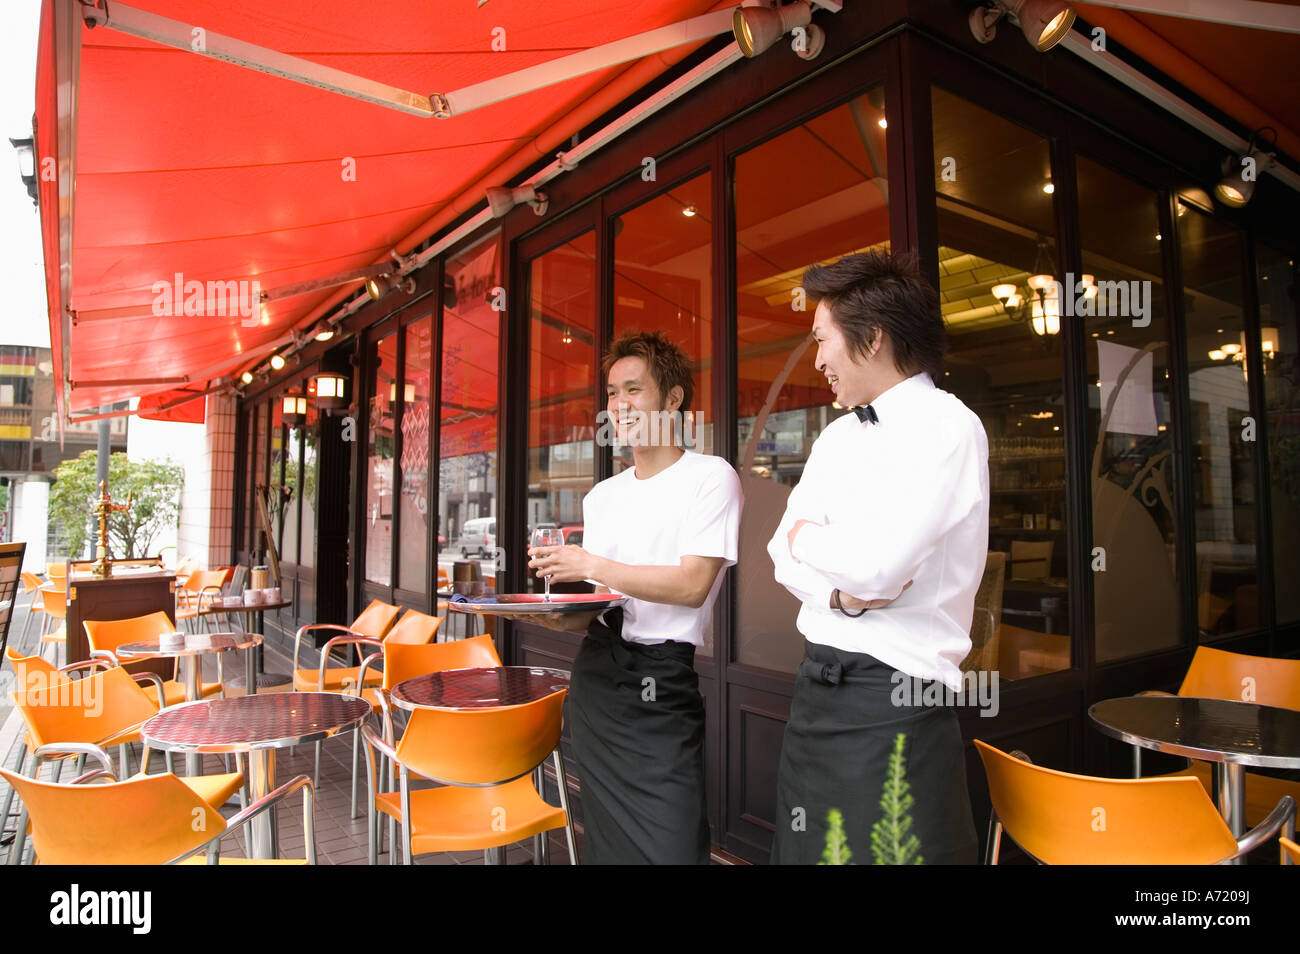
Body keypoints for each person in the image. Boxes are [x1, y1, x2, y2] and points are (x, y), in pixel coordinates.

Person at [767, 251, 988, 865]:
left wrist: (807, 539)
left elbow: (878, 568)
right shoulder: (837, 435)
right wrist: (834, 589)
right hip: (817, 685)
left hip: (895, 696)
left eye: (822, 339)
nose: (817, 360)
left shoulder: (947, 426)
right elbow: (776, 552)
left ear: (873, 338)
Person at [528, 330, 742, 864]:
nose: (618, 405)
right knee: (606, 837)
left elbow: (692, 586)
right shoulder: (604, 495)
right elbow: (603, 602)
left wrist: (591, 564)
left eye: (633, 390)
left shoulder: (711, 478)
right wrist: (558, 612)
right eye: (611, 393)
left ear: (673, 399)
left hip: (663, 677)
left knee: (671, 839)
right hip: (599, 675)